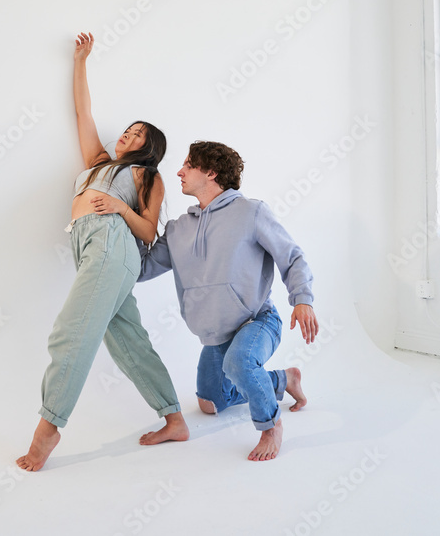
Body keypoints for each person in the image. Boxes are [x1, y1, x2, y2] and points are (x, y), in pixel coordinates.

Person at [16, 32, 188, 472]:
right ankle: (174, 418)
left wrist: (116, 207)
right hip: (93, 247)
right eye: (128, 130)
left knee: (69, 334)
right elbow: (83, 111)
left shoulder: (148, 177)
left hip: (114, 244)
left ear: (148, 149)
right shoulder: (98, 163)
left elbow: (149, 231)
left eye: (137, 135)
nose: (127, 135)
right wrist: (80, 61)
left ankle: (47, 431)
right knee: (129, 341)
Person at [139, 141, 318, 461]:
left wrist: (302, 299)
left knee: (240, 363)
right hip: (217, 334)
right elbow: (142, 269)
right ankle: (284, 379)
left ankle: (270, 426)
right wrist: (132, 217)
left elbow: (291, 257)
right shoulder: (178, 229)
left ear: (211, 172)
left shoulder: (251, 212)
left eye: (188, 165)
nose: (179, 171)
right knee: (209, 403)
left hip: (257, 320)